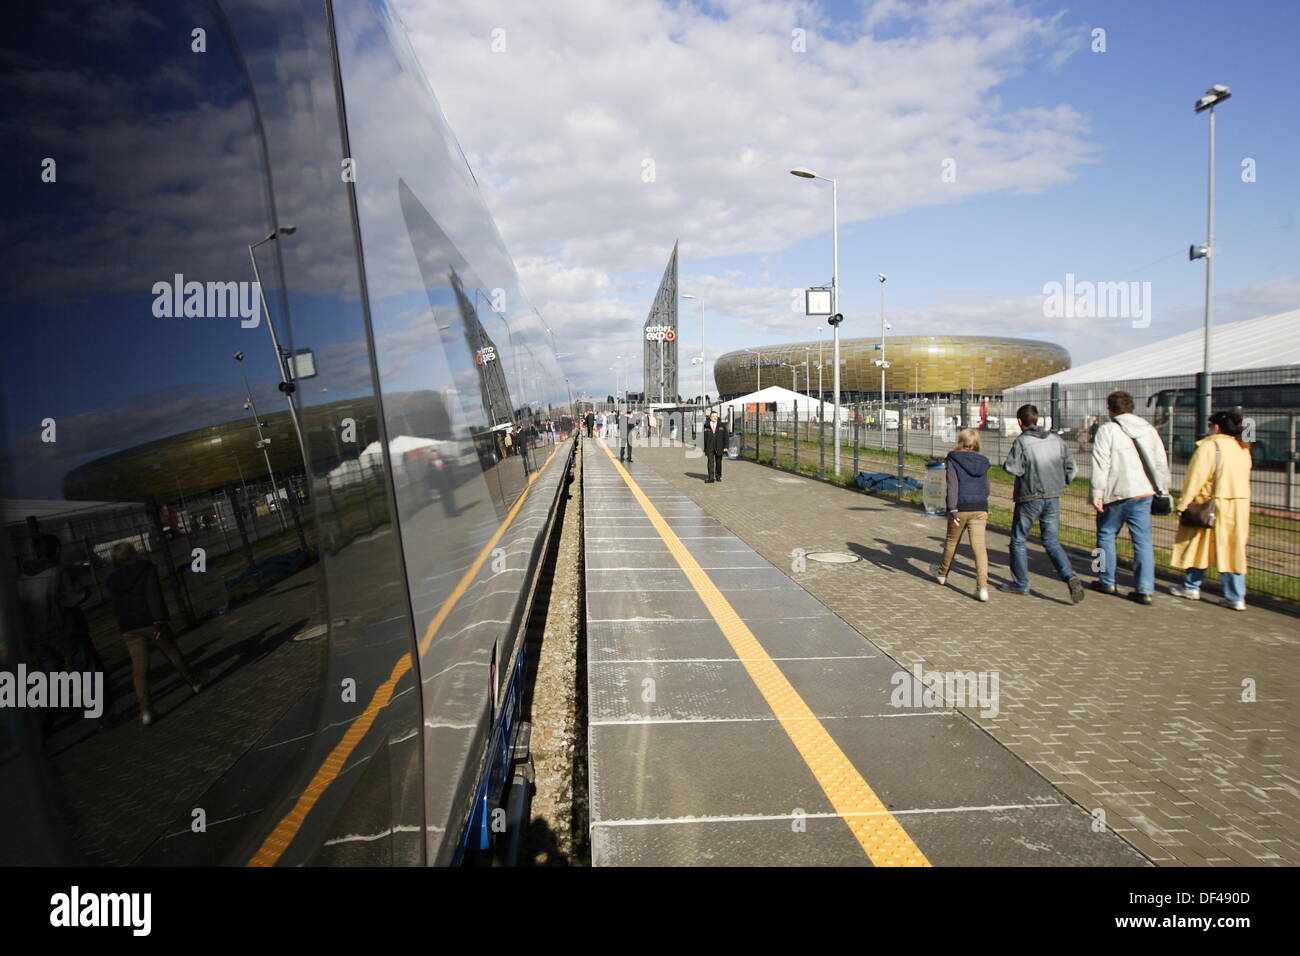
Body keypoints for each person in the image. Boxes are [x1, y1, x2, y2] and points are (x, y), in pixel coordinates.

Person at [15, 534, 114, 731]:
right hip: (67, 631)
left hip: (39, 636)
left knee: (49, 680)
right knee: (90, 673)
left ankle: (43, 723)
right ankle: (104, 717)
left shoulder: (24, 578)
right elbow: (75, 597)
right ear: (57, 550)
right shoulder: (59, 573)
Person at [105, 542, 202, 725]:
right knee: (172, 652)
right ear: (134, 553)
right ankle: (194, 681)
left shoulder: (113, 579)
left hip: (129, 627)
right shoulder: (145, 569)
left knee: (139, 670)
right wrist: (159, 620)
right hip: (150, 621)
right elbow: (153, 595)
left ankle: (146, 711)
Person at [1089, 391, 1170, 605]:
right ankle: (1145, 589)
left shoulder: (1107, 430)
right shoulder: (1149, 429)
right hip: (1144, 492)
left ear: (1110, 409)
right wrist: (1164, 489)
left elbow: (1101, 463)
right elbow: (1161, 461)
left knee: (1105, 534)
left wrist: (1097, 493)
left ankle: (1105, 578)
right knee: (1142, 540)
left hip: (1117, 491)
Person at [998, 404, 1085, 603]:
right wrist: (1061, 481)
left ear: (1020, 422)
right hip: (1053, 497)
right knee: (1051, 541)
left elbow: (1013, 468)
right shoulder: (1057, 439)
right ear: (1036, 419)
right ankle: (1069, 576)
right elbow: (1072, 468)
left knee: (1019, 540)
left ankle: (1021, 584)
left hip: (1029, 496)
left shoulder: (1022, 441)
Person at [1168, 410, 1253, 610]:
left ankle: (1191, 586)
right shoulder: (1243, 447)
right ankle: (1236, 596)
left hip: (1209, 503)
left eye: (1209, 425)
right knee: (1233, 549)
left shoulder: (1209, 446)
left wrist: (1183, 504)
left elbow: (1195, 478)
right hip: (1238, 504)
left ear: (1216, 427)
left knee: (1197, 544)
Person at [931, 429, 990, 601]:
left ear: (960, 441)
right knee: (979, 548)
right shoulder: (984, 462)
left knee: (951, 541)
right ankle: (983, 588)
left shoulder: (953, 459)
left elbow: (952, 485)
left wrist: (952, 508)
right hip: (980, 508)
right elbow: (987, 489)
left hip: (960, 507)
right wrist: (980, 501)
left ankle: (942, 574)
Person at [702, 410, 728, 483]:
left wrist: (726, 447)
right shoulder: (706, 425)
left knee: (718, 462)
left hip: (719, 447)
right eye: (713, 416)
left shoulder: (722, 426)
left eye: (716, 416)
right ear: (710, 417)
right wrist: (703, 447)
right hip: (709, 447)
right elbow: (703, 437)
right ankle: (711, 478)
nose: (715, 418)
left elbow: (726, 437)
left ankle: (718, 476)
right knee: (710, 462)